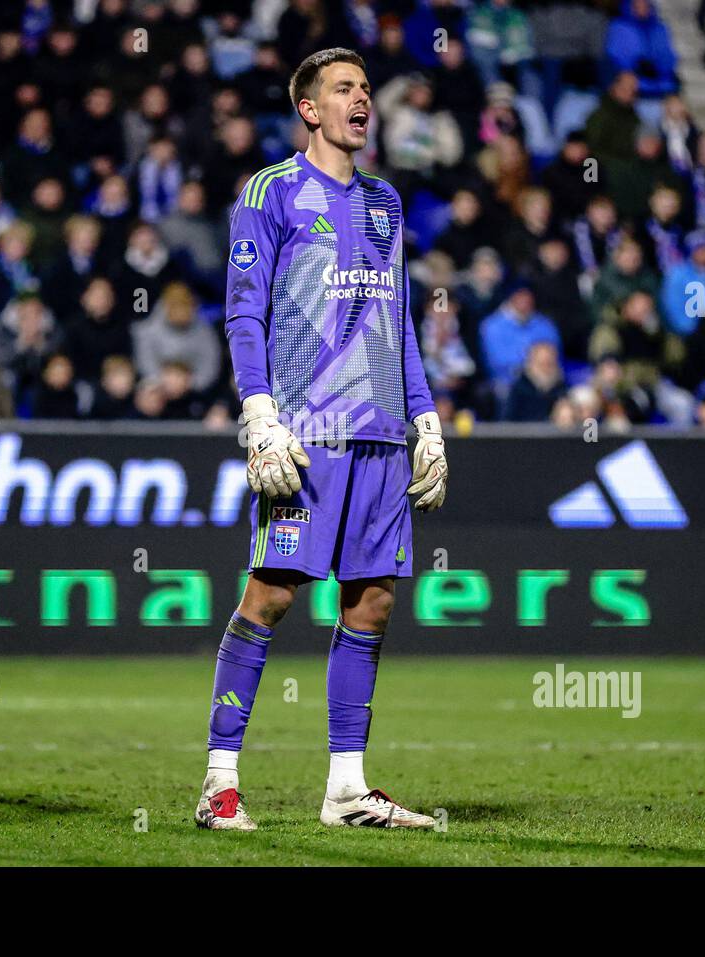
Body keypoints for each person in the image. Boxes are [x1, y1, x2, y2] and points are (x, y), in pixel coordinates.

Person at [197, 48, 448, 832]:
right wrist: (259, 414)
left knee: (372, 602)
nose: (362, 99)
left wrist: (426, 420)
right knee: (270, 595)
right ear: (310, 108)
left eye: (367, 88)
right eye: (345, 89)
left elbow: (397, 319)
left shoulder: (385, 204)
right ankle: (219, 782)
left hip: (378, 435)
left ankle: (346, 787)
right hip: (307, 435)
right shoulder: (270, 192)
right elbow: (244, 310)